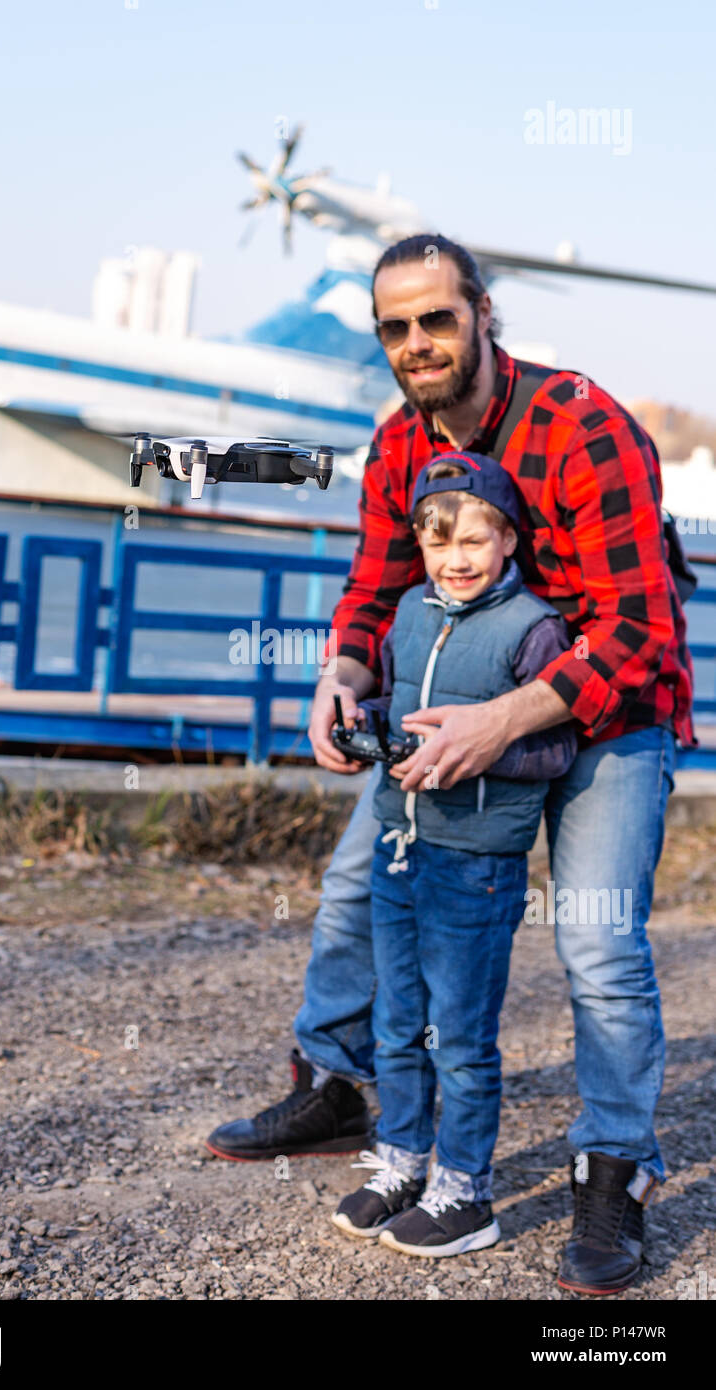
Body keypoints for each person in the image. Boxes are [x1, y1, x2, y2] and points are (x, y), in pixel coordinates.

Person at [206, 233, 695, 1296]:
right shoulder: (396, 447)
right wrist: (339, 678)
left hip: (600, 715)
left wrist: (500, 720)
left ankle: (613, 1163)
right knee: (349, 892)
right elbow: (374, 592)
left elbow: (640, 631)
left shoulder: (581, 424)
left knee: (597, 942)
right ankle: (339, 1086)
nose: (416, 342)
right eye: (394, 326)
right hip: (464, 715)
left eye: (435, 317)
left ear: (480, 312)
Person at [330, 452, 577, 1257]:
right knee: (398, 1023)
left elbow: (556, 752)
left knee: (460, 1036)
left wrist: (478, 752)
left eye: (477, 539)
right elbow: (396, 698)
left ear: (509, 539)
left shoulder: (534, 628)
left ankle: (467, 1192)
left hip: (476, 866)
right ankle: (402, 1160)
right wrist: (364, 721)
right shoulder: (406, 613)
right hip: (401, 846)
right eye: (440, 544)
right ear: (421, 548)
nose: (459, 558)